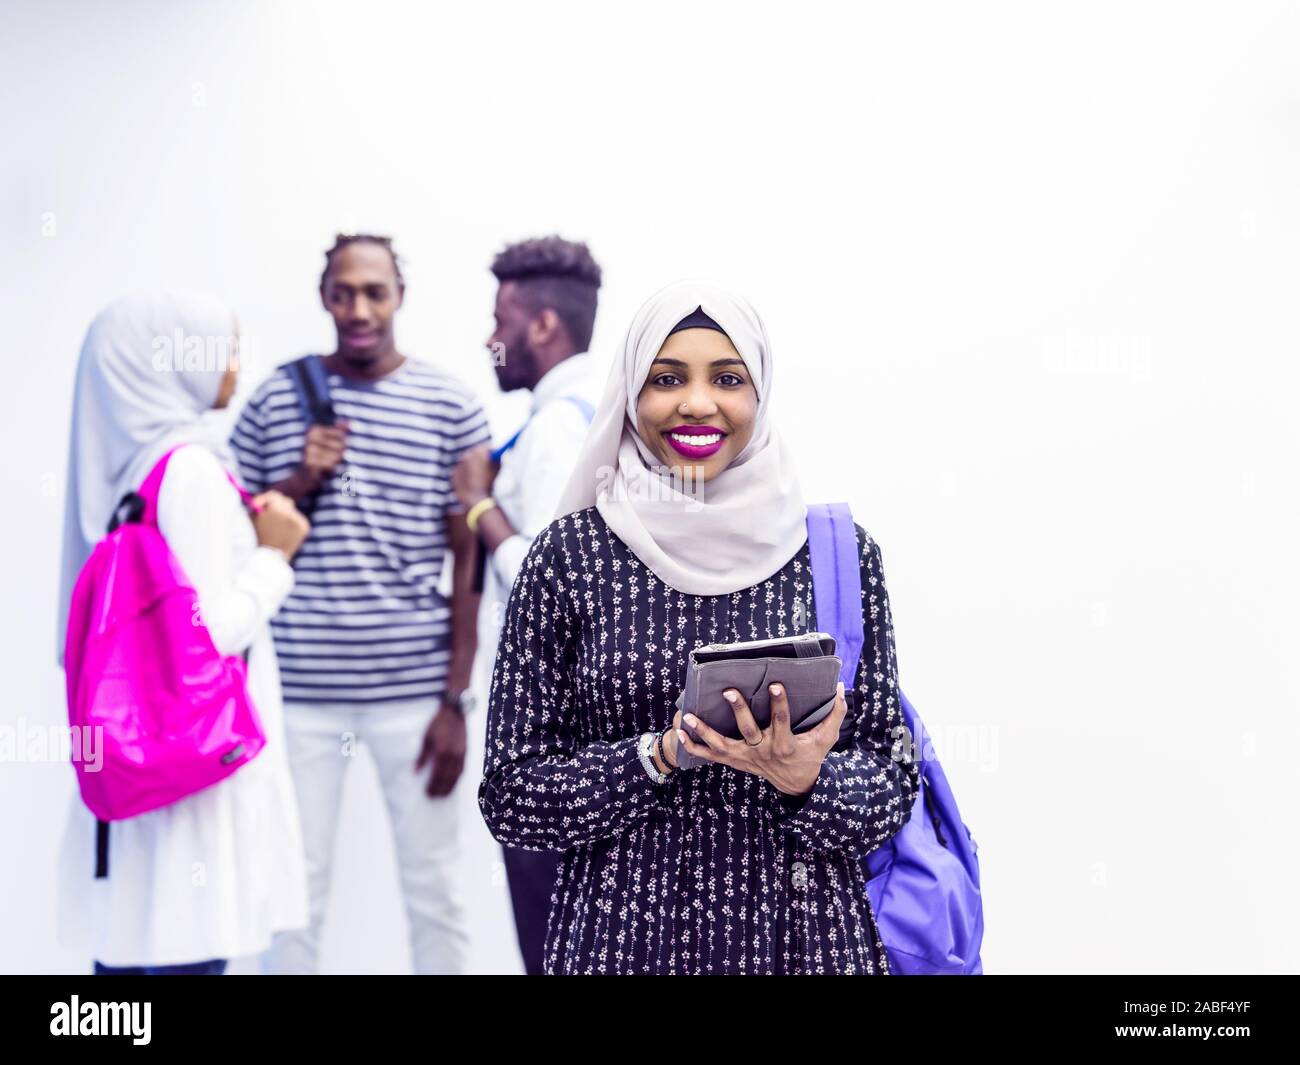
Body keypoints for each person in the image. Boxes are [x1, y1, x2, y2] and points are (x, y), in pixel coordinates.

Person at [478, 280, 921, 974]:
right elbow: (512, 798)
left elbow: (892, 780)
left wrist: (806, 778)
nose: (697, 401)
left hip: (803, 945)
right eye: (665, 378)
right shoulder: (569, 557)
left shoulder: (836, 553)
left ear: (760, 391)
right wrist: (653, 756)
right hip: (619, 945)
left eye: (727, 377)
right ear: (630, 392)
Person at [231, 234, 488, 974]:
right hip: (301, 697)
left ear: (400, 294)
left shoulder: (450, 404)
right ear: (324, 296)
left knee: (436, 892)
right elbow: (228, 535)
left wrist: (455, 700)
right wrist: (301, 478)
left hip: (413, 696)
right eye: (344, 291)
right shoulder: (277, 398)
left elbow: (465, 560)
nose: (359, 308)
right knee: (293, 893)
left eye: (375, 291)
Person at [55, 289, 310, 974]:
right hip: (198, 766)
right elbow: (208, 631)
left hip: (146, 767)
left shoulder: (125, 466)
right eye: (221, 347)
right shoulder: (190, 469)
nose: (234, 363)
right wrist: (273, 554)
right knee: (188, 949)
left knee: (135, 953)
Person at [452, 235, 603, 975]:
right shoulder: (598, 412)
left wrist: (480, 508)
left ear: (542, 325)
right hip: (584, 743)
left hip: (549, 750)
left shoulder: (554, 430)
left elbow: (555, 591)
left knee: (551, 950)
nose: (490, 338)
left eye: (499, 318)